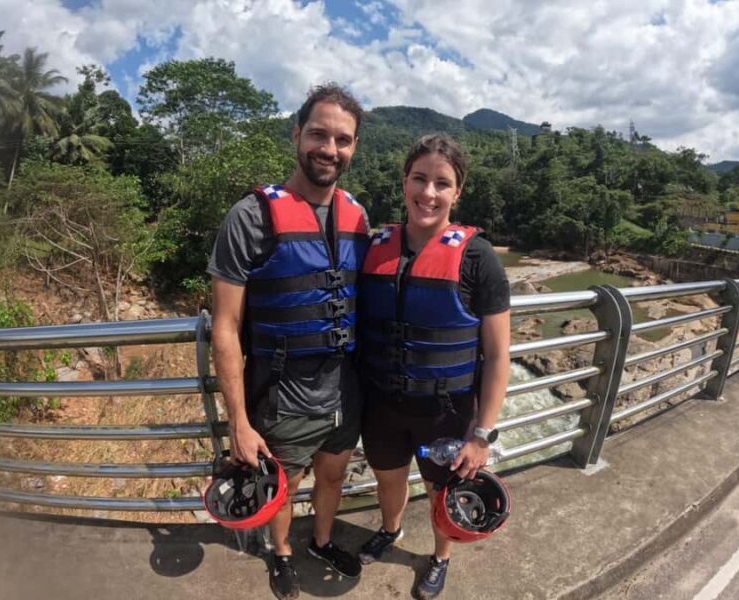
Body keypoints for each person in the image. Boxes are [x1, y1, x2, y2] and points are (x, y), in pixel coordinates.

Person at [208, 83, 369, 600]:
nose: (330, 148)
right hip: (283, 386)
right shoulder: (250, 217)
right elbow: (226, 327)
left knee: (334, 472)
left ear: (354, 148)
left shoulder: (358, 217)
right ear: (297, 134)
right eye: (319, 134)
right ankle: (280, 552)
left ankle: (320, 540)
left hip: (345, 383)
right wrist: (238, 421)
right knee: (285, 481)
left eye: (342, 139)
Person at [357, 133, 511, 599]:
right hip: (381, 402)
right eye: (419, 179)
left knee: (442, 492)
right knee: (387, 478)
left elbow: (500, 354)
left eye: (441, 183)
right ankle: (391, 529)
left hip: (444, 408)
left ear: (457, 191)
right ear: (404, 182)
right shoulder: (373, 246)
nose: (428, 193)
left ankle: (440, 557)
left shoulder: (479, 258)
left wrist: (480, 434)